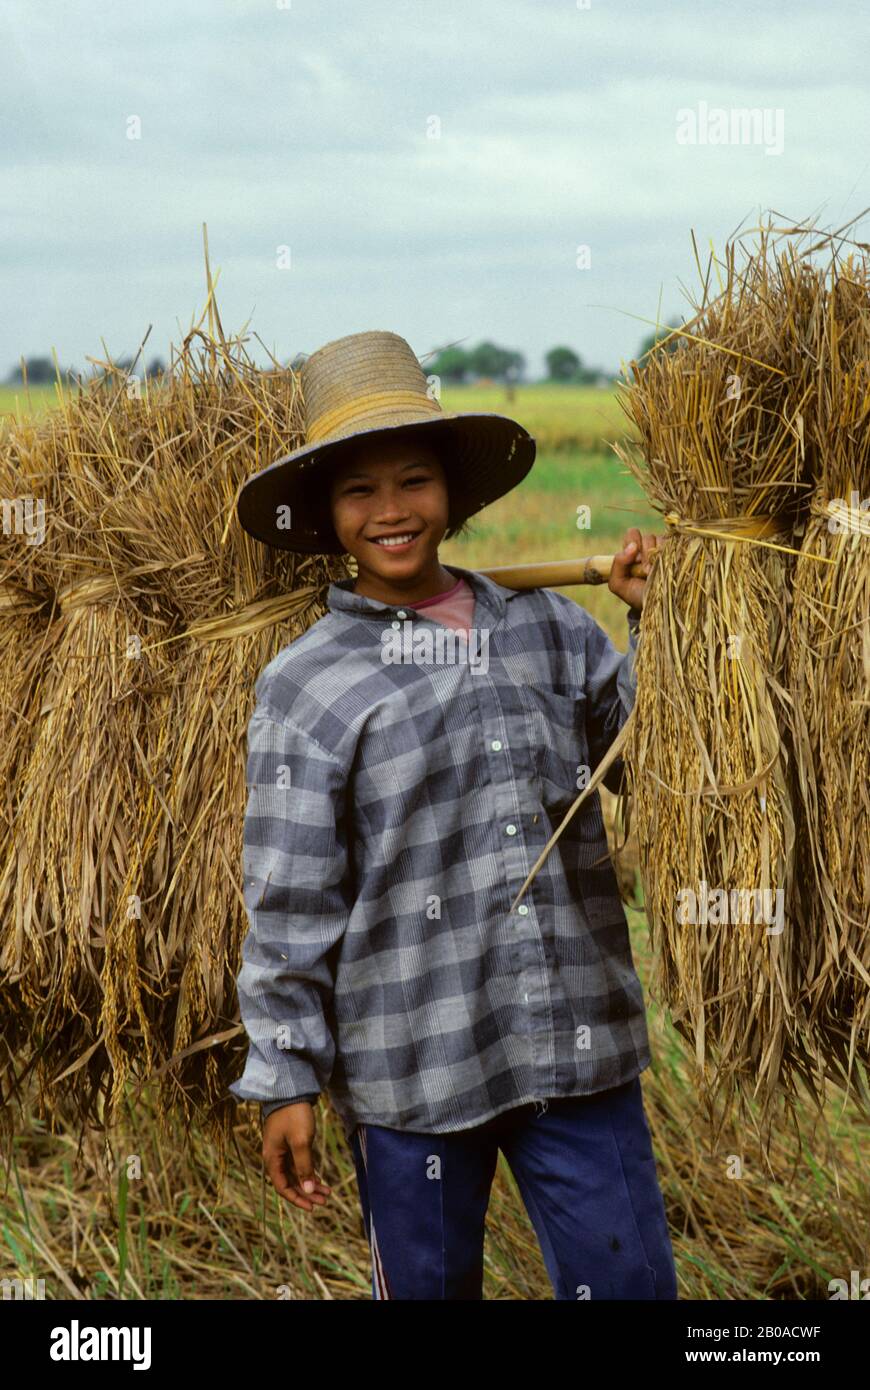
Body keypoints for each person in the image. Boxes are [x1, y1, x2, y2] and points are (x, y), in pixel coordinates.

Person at [231, 330, 676, 1300]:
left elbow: (656, 767)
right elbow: (291, 898)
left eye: (415, 480)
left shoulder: (550, 630)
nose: (392, 511)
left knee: (633, 1286)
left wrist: (657, 624)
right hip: (412, 1074)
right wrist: (287, 1072)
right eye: (360, 491)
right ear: (328, 516)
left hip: (577, 1047)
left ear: (452, 492)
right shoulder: (308, 687)